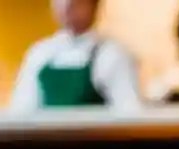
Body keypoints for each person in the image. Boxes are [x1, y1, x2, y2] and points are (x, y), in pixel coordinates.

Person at [10, 0, 143, 112]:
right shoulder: (39, 54)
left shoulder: (112, 55)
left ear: (94, 6)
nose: (66, 5)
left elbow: (129, 115)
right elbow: (21, 113)